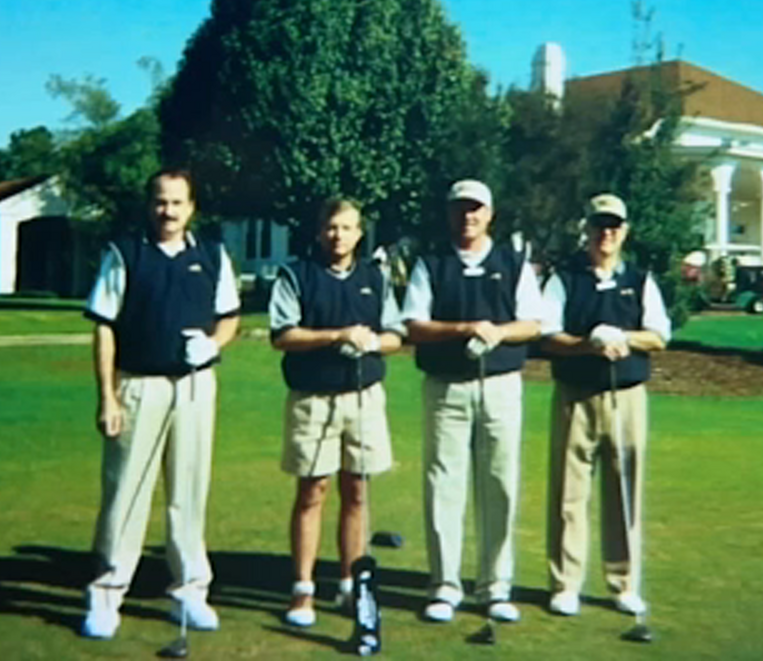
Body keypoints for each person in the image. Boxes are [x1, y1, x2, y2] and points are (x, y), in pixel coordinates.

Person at [79, 170, 241, 640]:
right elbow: (104, 326)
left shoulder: (212, 255)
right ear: (149, 205)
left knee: (188, 493)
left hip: (193, 386)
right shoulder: (124, 253)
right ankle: (106, 594)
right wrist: (107, 395)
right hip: (138, 385)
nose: (167, 211)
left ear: (191, 207)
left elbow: (228, 317)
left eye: (176, 203)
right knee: (125, 494)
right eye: (159, 202)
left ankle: (190, 590)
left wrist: (212, 344)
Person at [401, 179, 545, 624]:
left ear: (490, 213)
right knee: (444, 483)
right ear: (450, 214)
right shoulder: (431, 264)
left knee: (499, 482)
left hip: (501, 385)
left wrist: (498, 332)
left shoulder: (513, 263)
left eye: (476, 208)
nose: (469, 216)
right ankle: (445, 585)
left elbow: (533, 323)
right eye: (461, 208)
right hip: (446, 387)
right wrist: (465, 328)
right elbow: (414, 325)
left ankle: (495, 585)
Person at [269, 198, 405, 627]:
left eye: (346, 228)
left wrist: (371, 342)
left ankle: (350, 585)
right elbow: (282, 335)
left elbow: (396, 335)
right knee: (313, 491)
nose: (338, 236)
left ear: (359, 234)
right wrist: (334, 337)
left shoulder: (375, 277)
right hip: (313, 398)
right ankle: (302, 589)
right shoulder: (296, 274)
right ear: (318, 232)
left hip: (364, 397)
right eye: (331, 228)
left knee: (358, 491)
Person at [538, 194, 670, 617]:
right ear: (588, 228)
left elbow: (659, 335)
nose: (606, 232)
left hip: (627, 397)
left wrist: (623, 338)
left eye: (614, 225)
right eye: (599, 224)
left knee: (624, 489)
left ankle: (623, 582)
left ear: (625, 231)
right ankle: (565, 584)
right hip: (575, 396)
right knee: (568, 494)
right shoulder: (565, 278)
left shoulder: (640, 278)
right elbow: (548, 335)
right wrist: (586, 343)